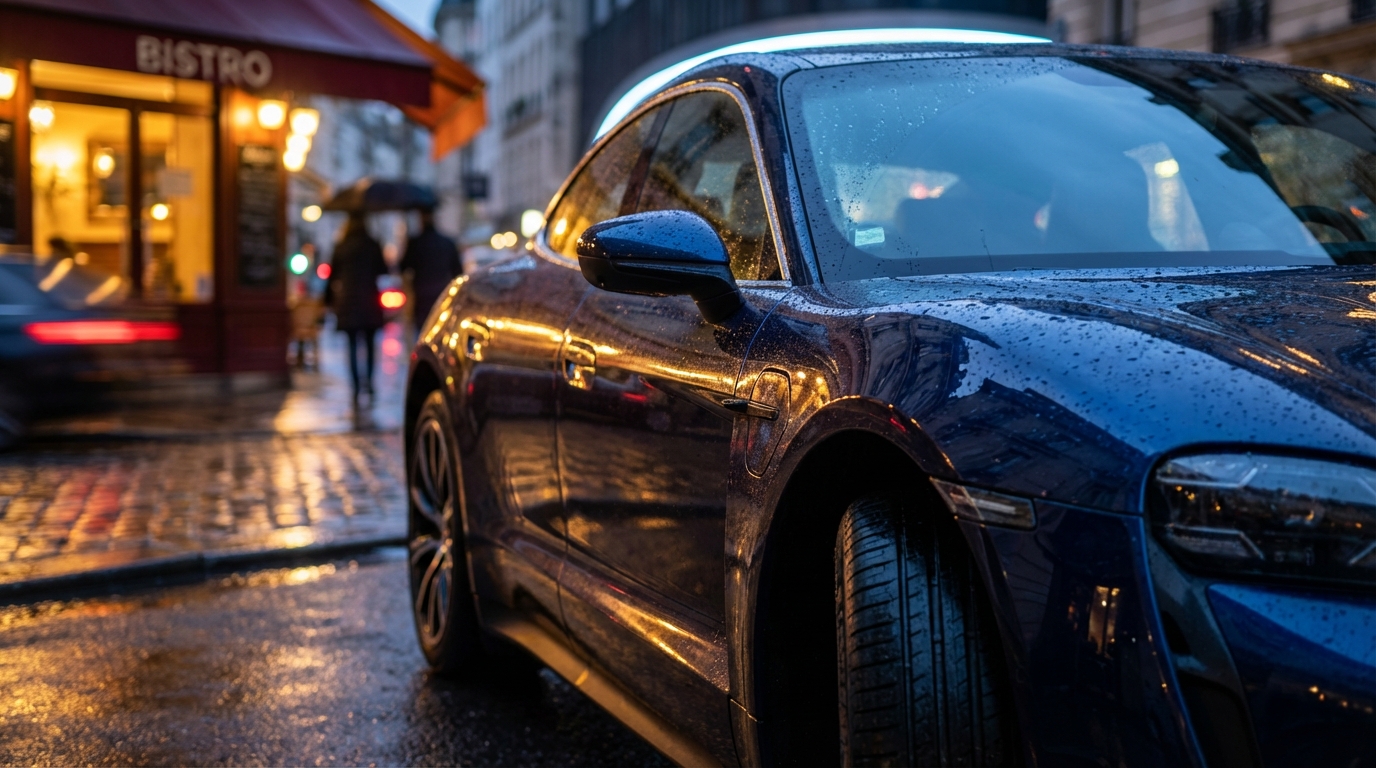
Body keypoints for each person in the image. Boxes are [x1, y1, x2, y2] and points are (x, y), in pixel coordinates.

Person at [324, 212, 388, 400]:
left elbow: (332, 276)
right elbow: (383, 270)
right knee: (369, 344)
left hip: (348, 301)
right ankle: (369, 383)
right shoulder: (373, 244)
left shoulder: (341, 247)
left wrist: (327, 301)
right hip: (369, 299)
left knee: (351, 345)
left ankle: (355, 386)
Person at [399, 208, 461, 331]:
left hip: (421, 295)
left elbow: (403, 267)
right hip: (442, 293)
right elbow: (458, 272)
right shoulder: (447, 243)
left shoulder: (415, 243)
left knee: (423, 332)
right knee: (441, 331)